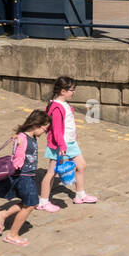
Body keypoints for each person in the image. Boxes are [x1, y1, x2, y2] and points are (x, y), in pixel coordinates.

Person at [0, 109, 52, 247]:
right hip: (23, 176)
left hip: (29, 175)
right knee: (30, 204)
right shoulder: (22, 138)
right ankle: (12, 235)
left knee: (29, 202)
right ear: (36, 125)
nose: (45, 132)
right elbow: (18, 151)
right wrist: (17, 141)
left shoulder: (31, 137)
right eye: (45, 129)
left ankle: (2, 215)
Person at [37, 75, 97, 211]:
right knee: (52, 172)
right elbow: (57, 130)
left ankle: (80, 195)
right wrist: (62, 145)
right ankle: (43, 201)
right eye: (71, 90)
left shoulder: (62, 105)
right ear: (63, 91)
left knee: (81, 165)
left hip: (70, 142)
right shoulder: (57, 107)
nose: (73, 92)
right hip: (60, 145)